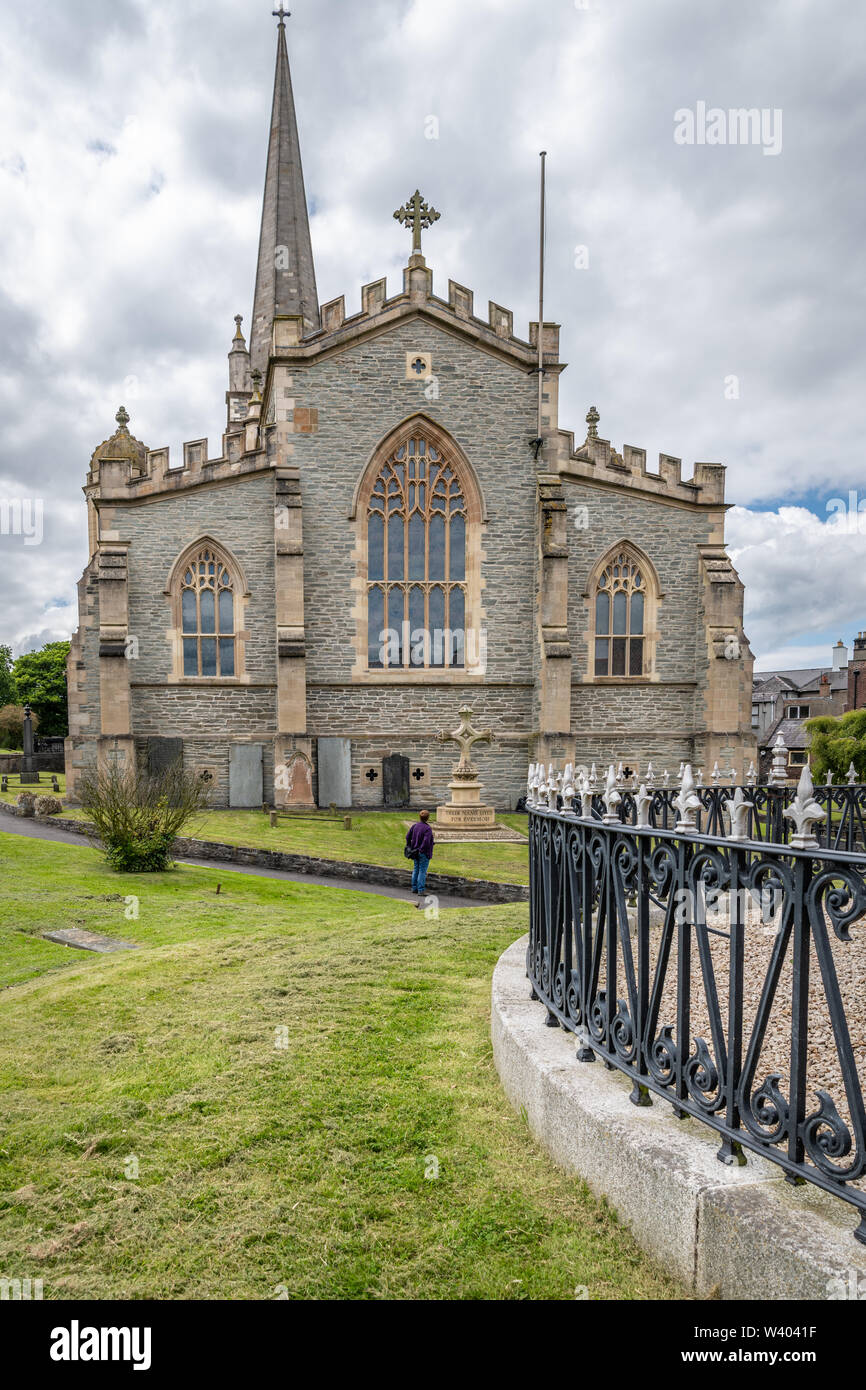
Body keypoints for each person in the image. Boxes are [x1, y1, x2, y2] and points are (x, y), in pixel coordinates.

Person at [405, 808, 434, 904]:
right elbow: (426, 842)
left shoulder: (415, 826)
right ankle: (421, 890)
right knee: (422, 871)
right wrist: (421, 849)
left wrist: (410, 846)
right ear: (428, 818)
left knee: (416, 869)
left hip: (415, 852)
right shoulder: (427, 829)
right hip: (423, 853)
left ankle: (414, 888)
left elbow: (407, 837)